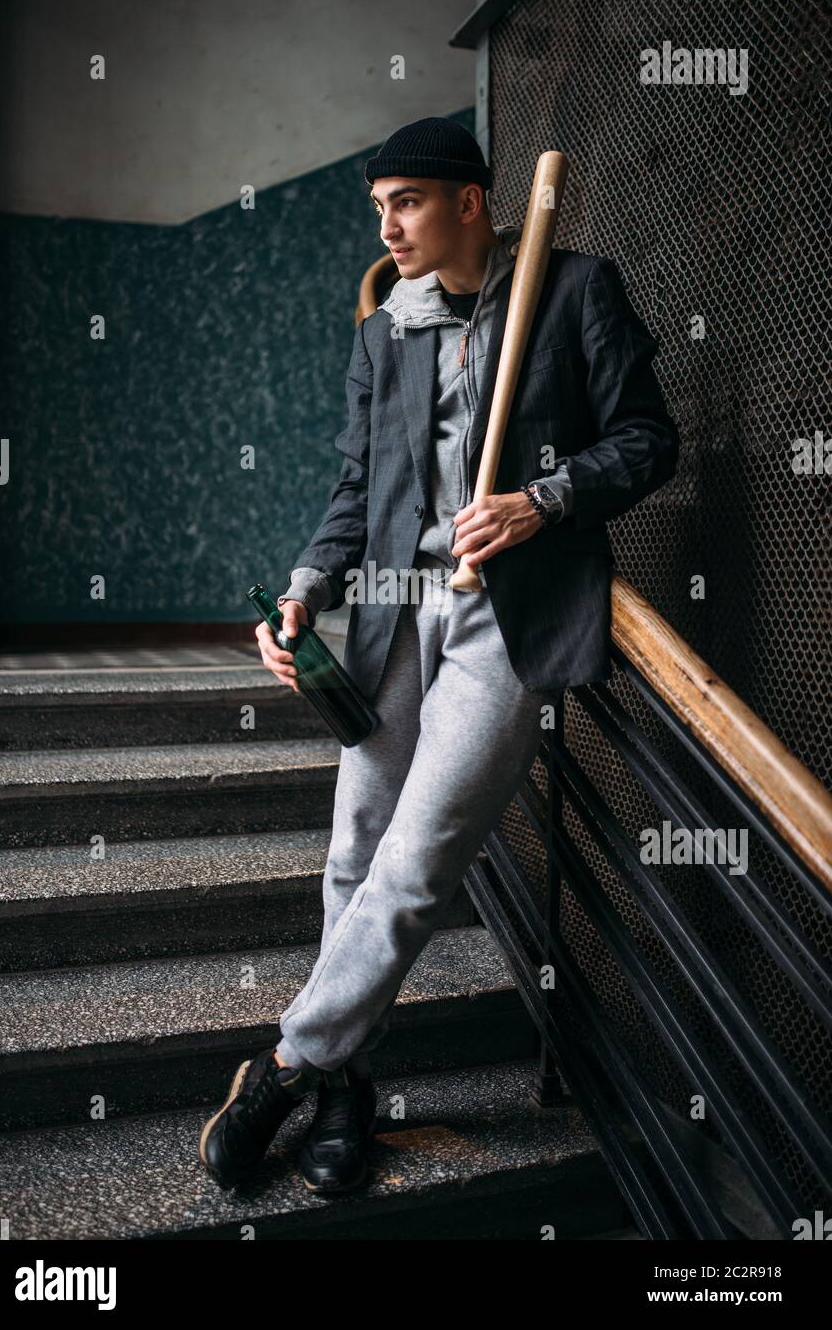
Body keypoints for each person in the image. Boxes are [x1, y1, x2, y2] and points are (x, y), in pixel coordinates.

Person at [199, 116, 680, 1195]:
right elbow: (357, 490)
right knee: (353, 855)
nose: (388, 224)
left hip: (504, 622)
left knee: (416, 865)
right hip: (389, 609)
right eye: (379, 206)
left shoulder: (575, 289)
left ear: (470, 201)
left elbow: (650, 438)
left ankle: (285, 1064)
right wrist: (303, 592)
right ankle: (344, 1089)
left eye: (406, 200)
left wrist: (542, 501)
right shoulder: (386, 331)